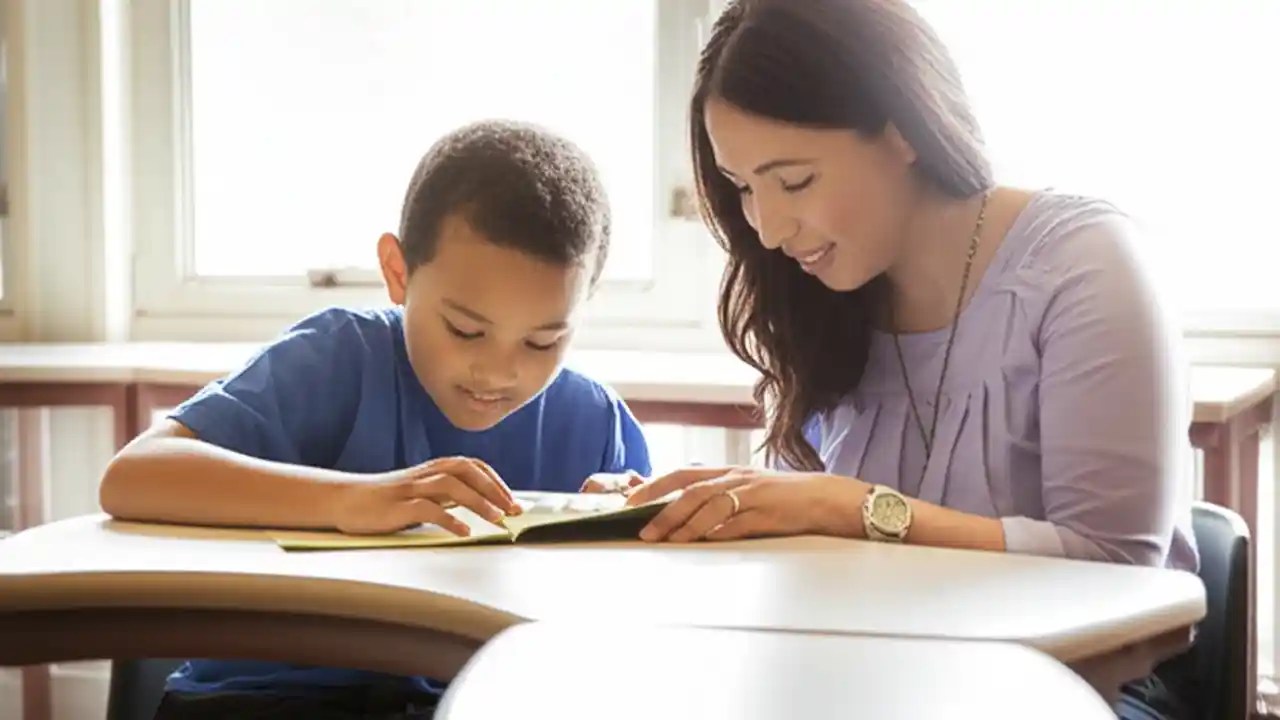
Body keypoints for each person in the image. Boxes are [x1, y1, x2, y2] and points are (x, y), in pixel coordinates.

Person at [622, 1, 1198, 717]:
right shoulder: (824, 299)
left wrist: (856, 509)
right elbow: (817, 561)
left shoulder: (1083, 266)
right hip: (867, 681)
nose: (767, 229)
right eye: (743, 188)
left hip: (1069, 689)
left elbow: (1119, 572)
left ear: (902, 131)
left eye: (794, 181)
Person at [99, 119, 652, 719]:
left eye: (543, 341)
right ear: (398, 272)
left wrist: (639, 529)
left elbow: (634, 629)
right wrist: (348, 501)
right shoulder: (337, 358)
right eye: (465, 329)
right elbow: (135, 475)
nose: (497, 373)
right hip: (262, 702)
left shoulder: (595, 421)